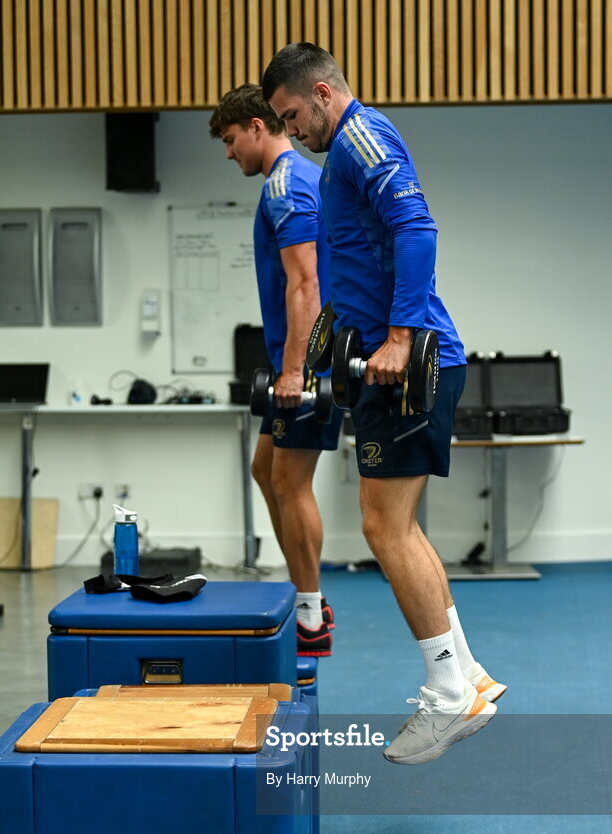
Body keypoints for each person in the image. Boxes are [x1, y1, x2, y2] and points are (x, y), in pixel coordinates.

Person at [262, 44, 506, 762]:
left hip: (405, 364)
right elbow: (360, 262)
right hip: (382, 366)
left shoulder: (362, 137)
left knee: (383, 529)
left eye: (291, 114)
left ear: (323, 90)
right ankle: (466, 674)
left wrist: (398, 335)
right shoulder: (339, 157)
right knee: (397, 527)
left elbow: (416, 229)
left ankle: (446, 695)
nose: (291, 129)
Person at [210, 84, 344, 657]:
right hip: (301, 355)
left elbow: (305, 281)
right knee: (265, 470)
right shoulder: (294, 181)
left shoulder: (288, 183)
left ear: (259, 128)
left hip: (309, 361)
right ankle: (304, 590)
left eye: (231, 138)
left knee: (290, 481)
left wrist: (296, 372)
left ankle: (310, 614)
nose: (228, 152)